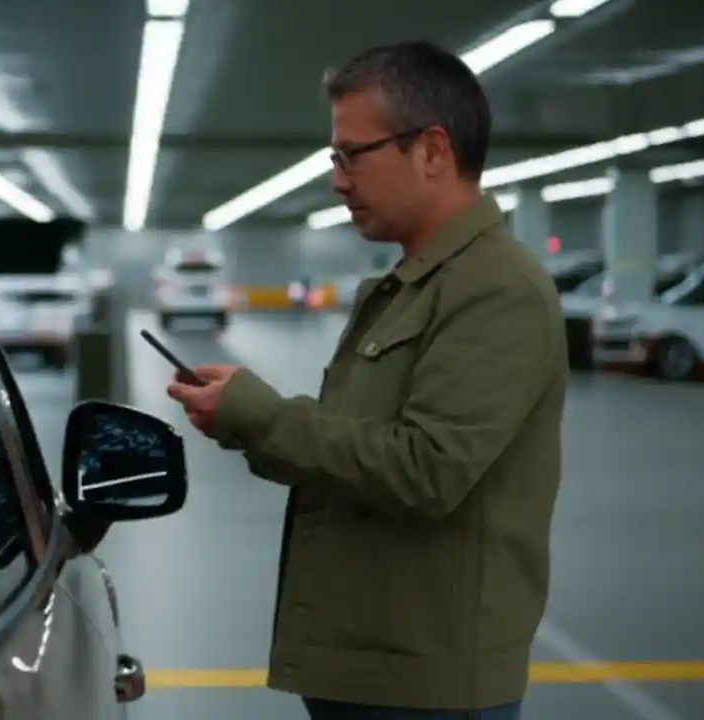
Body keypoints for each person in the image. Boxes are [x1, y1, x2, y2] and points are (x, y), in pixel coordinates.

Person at [167, 40, 567, 719]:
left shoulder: (496, 289)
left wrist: (262, 416)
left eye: (353, 155)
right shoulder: (409, 287)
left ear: (433, 150)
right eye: (335, 158)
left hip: (425, 688)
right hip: (376, 671)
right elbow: (356, 449)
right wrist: (246, 418)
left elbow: (425, 469)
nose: (337, 179)